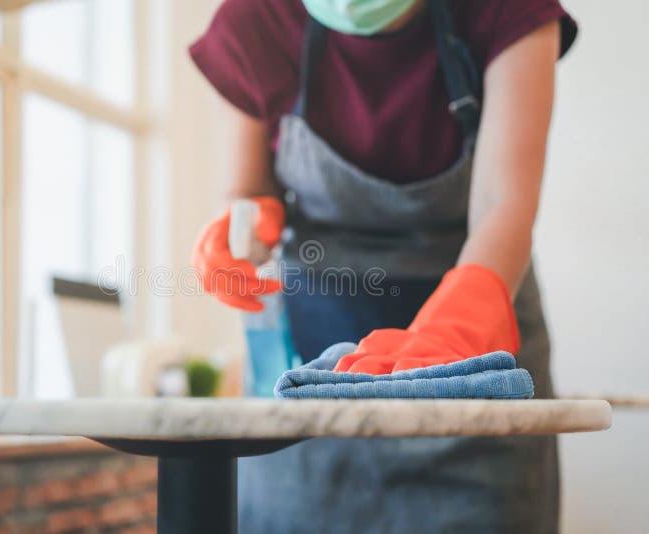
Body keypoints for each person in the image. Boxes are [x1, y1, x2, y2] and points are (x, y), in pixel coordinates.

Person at [191, 0, 577, 532]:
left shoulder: (506, 9)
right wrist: (244, 227)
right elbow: (250, 187)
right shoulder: (256, 18)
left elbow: (503, 203)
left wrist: (458, 325)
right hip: (310, 379)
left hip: (474, 374)